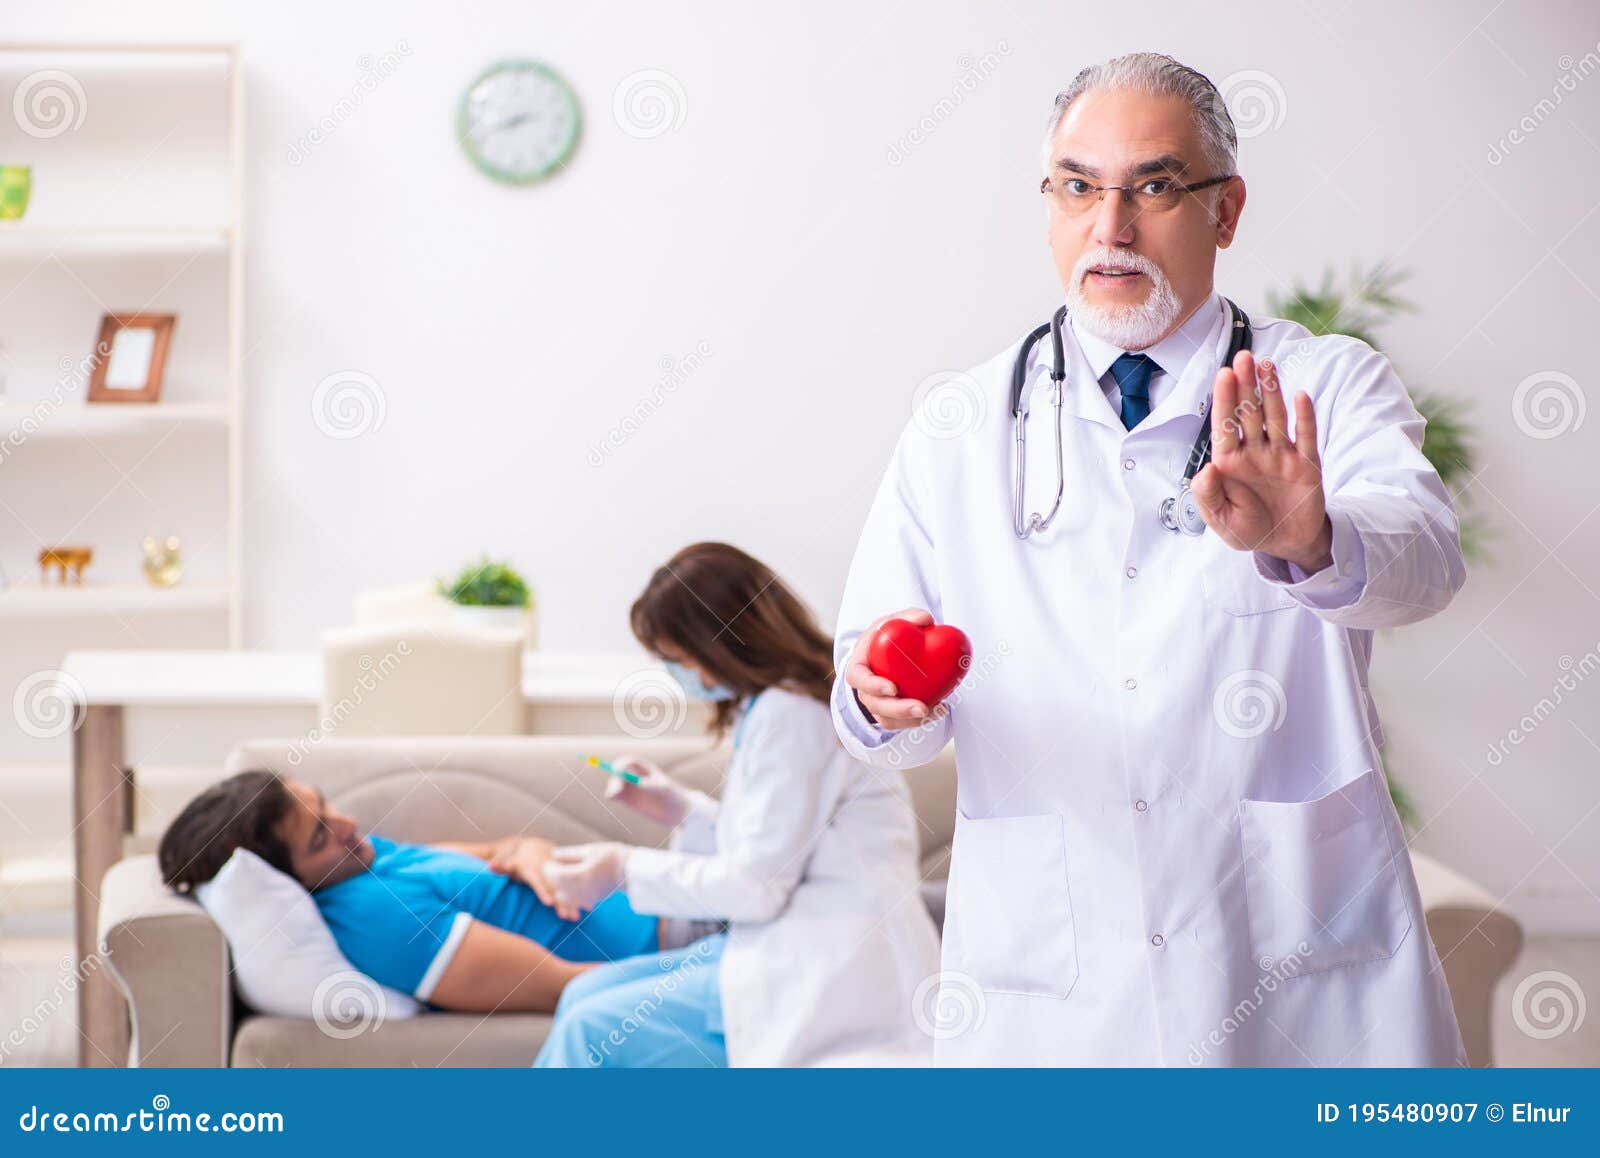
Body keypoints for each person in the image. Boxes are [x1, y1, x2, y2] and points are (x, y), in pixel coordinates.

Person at [833, 53, 1467, 1066]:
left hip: (1299, 971)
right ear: (1048, 206)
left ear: (1226, 210)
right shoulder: (956, 425)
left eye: (1154, 187)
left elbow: (1427, 563)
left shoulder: (1323, 384)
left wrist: (1308, 539)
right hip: (1053, 985)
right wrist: (883, 701)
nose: (1110, 226)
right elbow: (866, 685)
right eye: (1078, 187)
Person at [535, 542, 941, 1067]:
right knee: (578, 997)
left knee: (588, 1030)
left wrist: (623, 867)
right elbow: (779, 846)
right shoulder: (777, 704)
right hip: (787, 942)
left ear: (721, 642)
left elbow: (757, 886)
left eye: (678, 660)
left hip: (827, 965)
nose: (679, 675)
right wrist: (680, 809)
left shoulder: (792, 713)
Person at [158, 771, 658, 1011]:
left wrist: (530, 856)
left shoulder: (363, 861)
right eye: (319, 836)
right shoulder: (379, 921)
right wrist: (711, 968)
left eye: (326, 807)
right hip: (674, 943)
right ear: (292, 882)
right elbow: (565, 986)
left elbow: (504, 848)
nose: (347, 822)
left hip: (666, 900)